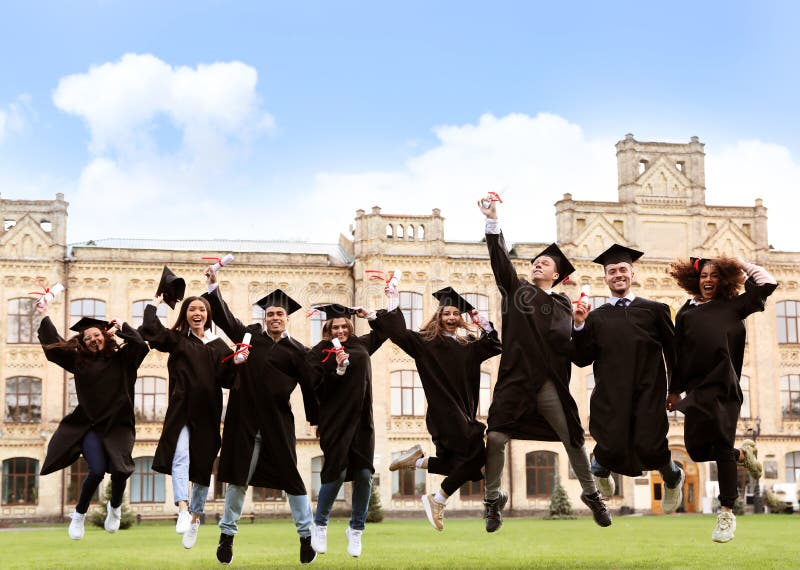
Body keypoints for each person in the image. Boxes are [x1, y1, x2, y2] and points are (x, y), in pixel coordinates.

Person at [478, 199, 610, 532]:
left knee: (574, 438)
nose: (538, 264)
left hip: (550, 382)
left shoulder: (564, 304)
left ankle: (592, 495)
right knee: (494, 437)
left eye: (545, 262)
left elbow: (573, 351)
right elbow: (500, 264)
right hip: (517, 378)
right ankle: (493, 500)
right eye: (536, 261)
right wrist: (494, 223)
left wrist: (580, 324)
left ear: (558, 274)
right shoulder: (518, 291)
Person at [203, 269, 319, 565]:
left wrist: (316, 422)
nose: (275, 318)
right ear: (265, 317)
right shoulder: (249, 336)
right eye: (270, 314)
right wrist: (213, 286)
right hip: (244, 419)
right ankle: (226, 536)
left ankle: (306, 537)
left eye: (279, 313)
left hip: (278, 422)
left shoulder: (297, 351)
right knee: (238, 479)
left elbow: (310, 388)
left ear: (287, 318)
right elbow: (226, 319)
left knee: (293, 479)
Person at [668, 256, 776, 542]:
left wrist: (739, 263)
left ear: (723, 279)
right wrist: (674, 390)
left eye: (715, 275)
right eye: (704, 275)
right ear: (696, 279)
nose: (708, 280)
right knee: (698, 451)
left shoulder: (733, 306)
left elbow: (767, 283)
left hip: (724, 389)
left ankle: (726, 511)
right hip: (696, 391)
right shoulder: (686, 313)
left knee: (721, 444)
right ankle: (744, 455)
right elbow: (678, 356)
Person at [571, 244, 685, 513]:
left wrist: (675, 389)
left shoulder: (655, 310)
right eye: (612, 271)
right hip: (611, 394)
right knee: (609, 440)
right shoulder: (595, 318)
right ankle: (600, 471)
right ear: (605, 278)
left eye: (623, 269)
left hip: (648, 391)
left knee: (651, 443)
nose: (618, 275)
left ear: (633, 274)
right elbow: (581, 358)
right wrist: (578, 325)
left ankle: (673, 477)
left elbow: (674, 353)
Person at [377, 286, 502, 531]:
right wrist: (392, 298)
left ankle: (418, 462)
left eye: (456, 313)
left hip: (463, 413)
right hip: (445, 413)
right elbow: (398, 333)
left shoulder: (470, 345)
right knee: (476, 459)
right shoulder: (425, 343)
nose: (452, 318)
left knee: (461, 466)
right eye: (446, 314)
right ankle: (438, 499)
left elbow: (495, 345)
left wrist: (481, 320)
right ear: (438, 317)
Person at [139, 292, 242, 549]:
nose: (197, 313)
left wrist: (237, 362)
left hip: (208, 413)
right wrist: (155, 303)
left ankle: (195, 518)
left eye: (202, 309)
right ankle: (183, 508)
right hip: (182, 410)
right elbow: (151, 330)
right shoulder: (177, 340)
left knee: (203, 467)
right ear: (185, 313)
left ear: (208, 315)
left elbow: (227, 380)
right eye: (192, 309)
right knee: (181, 455)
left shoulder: (218, 345)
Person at [36, 307, 149, 540]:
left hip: (119, 426)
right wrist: (44, 314)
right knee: (96, 470)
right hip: (90, 425)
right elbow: (53, 348)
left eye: (96, 335)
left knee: (121, 470)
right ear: (83, 343)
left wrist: (122, 327)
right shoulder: (79, 362)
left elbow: (140, 346)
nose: (92, 339)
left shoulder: (123, 360)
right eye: (87, 338)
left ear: (105, 335)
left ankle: (114, 507)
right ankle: (79, 515)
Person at [306, 303, 388, 557]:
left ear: (350, 327)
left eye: (344, 326)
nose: (340, 330)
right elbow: (316, 389)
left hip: (362, 420)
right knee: (336, 472)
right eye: (335, 327)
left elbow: (387, 330)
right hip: (335, 421)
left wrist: (371, 316)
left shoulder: (360, 345)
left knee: (364, 474)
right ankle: (319, 524)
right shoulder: (318, 354)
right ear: (327, 329)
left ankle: (356, 530)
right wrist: (338, 369)